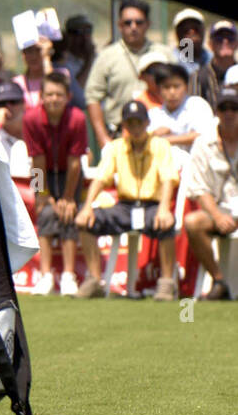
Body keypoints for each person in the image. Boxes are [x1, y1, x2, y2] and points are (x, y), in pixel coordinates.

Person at [75, 100, 178, 300]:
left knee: (167, 223)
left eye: (139, 122)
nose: (135, 128)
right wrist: (87, 207)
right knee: (83, 221)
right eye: (130, 123)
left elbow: (168, 179)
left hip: (152, 205)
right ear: (124, 126)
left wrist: (164, 208)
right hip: (124, 206)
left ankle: (167, 283)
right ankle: (94, 280)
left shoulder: (160, 145)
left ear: (147, 123)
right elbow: (100, 179)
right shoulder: (115, 147)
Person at [23, 73, 88, 296]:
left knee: (69, 214)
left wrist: (68, 198)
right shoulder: (31, 119)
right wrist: (42, 194)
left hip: (70, 173)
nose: (54, 99)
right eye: (49, 94)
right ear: (41, 96)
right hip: (44, 172)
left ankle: (69, 276)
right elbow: (37, 161)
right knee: (46, 213)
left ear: (68, 96)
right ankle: (46, 276)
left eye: (59, 94)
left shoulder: (77, 118)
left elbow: (75, 163)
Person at [181, 86, 238, 300]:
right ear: (217, 112)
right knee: (193, 222)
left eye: (235, 108)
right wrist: (217, 216)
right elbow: (200, 188)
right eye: (224, 108)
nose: (230, 113)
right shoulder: (203, 143)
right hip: (220, 208)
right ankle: (219, 280)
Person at [86, 0, 158, 150]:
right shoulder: (106, 56)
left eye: (139, 22)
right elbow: (93, 97)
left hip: (158, 137)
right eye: (127, 23)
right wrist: (103, 139)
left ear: (148, 24)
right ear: (119, 25)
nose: (133, 27)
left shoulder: (162, 53)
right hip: (119, 137)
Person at [148, 63, 214, 154]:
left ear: (186, 86)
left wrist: (167, 139)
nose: (172, 92)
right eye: (166, 87)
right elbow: (144, 140)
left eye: (176, 86)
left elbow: (205, 135)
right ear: (159, 89)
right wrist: (154, 134)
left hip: (195, 164)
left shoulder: (197, 105)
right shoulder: (154, 114)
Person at [189, 20, 236, 110]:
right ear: (210, 44)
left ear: (237, 43)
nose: (225, 41)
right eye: (219, 38)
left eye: (230, 38)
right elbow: (194, 112)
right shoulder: (198, 77)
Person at [0, 80, 33, 180]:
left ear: (24, 104)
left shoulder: (34, 134)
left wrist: (40, 192)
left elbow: (40, 170)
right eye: (2, 103)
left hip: (31, 192)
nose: (8, 107)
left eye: (13, 102)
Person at [53, 14, 95, 91]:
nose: (85, 38)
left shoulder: (98, 58)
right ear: (69, 36)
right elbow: (76, 90)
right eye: (79, 33)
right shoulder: (63, 63)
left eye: (88, 31)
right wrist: (89, 61)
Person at [170, 8, 210, 76]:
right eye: (185, 29)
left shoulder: (213, 60)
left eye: (196, 28)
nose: (191, 32)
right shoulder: (170, 61)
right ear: (177, 34)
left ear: (203, 31)